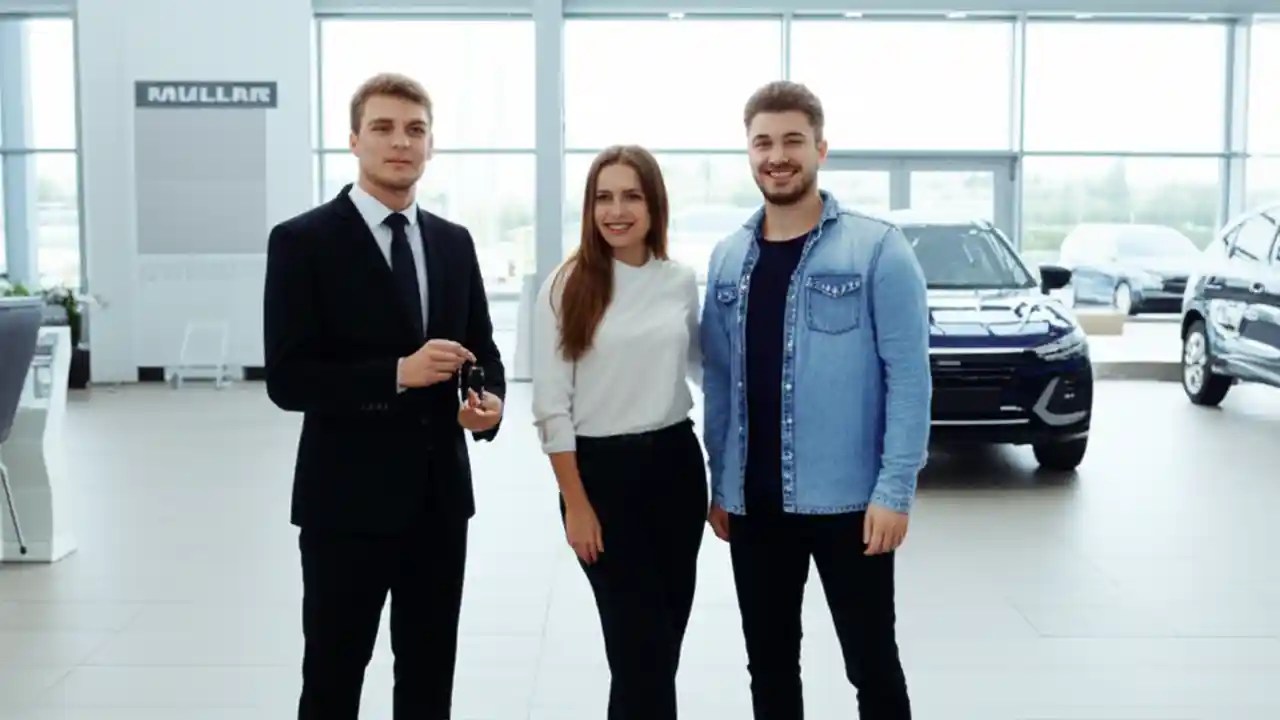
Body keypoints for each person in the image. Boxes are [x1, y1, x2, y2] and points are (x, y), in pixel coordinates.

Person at [262, 72, 506, 720]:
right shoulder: (302, 242)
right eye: (384, 127)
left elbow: (483, 352)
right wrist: (396, 373)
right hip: (344, 505)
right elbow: (287, 378)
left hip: (439, 503)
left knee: (429, 682)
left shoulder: (454, 243)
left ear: (430, 145)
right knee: (335, 678)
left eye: (415, 129)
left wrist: (489, 406)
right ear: (353, 139)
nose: (401, 142)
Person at [700, 80, 932, 720]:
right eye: (763, 142)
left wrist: (895, 491)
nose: (777, 156)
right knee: (769, 668)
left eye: (792, 141)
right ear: (748, 153)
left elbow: (909, 378)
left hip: (851, 504)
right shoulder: (727, 259)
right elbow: (719, 385)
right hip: (753, 504)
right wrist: (722, 486)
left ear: (821, 149)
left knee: (872, 665)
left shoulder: (877, 248)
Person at [532, 145, 707, 720]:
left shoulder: (679, 282)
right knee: (640, 653)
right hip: (601, 480)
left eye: (631, 195)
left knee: (660, 653)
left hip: (677, 469)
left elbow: (706, 370)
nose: (616, 210)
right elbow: (551, 407)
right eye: (604, 196)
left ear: (654, 205)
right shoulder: (567, 286)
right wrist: (576, 505)